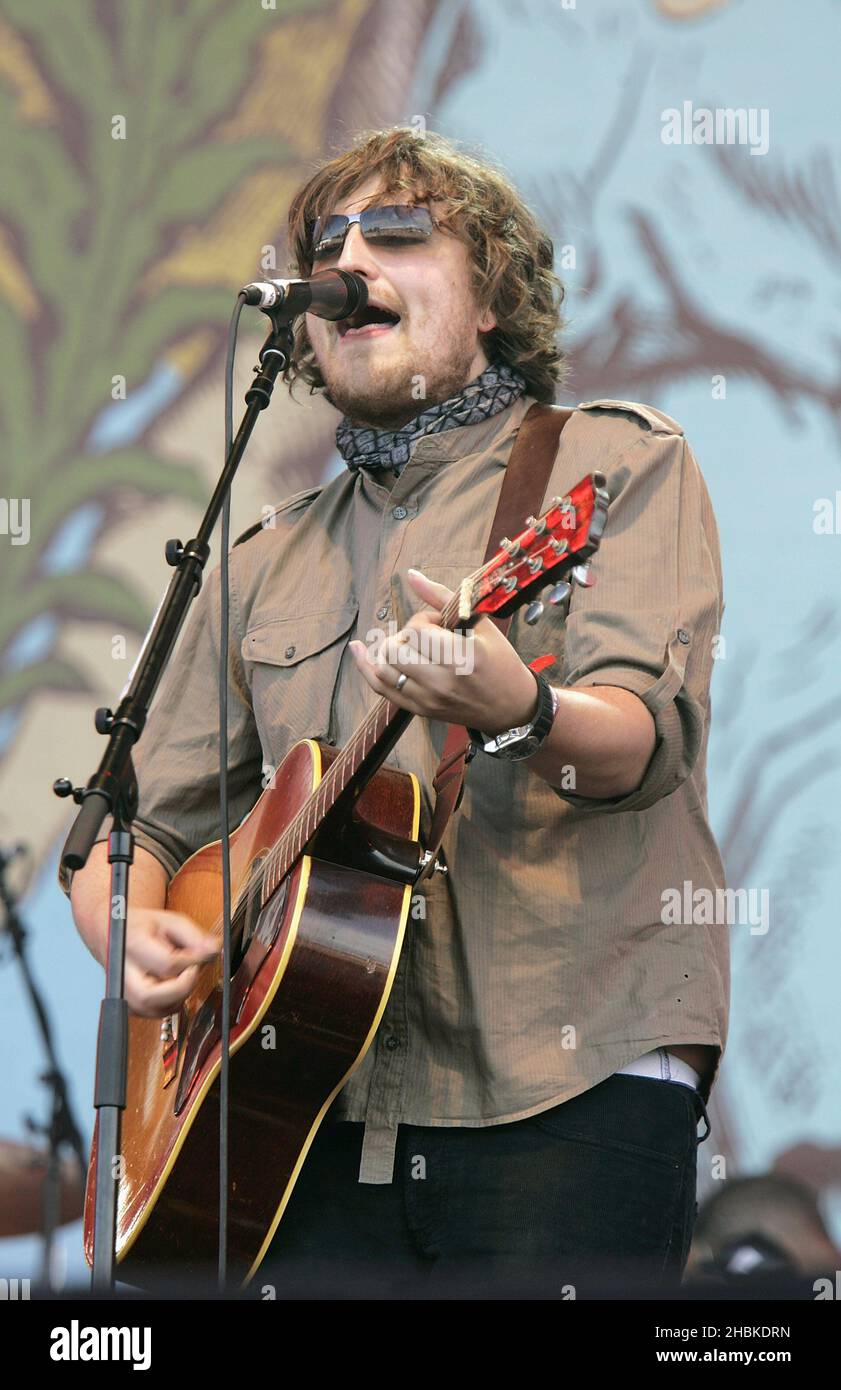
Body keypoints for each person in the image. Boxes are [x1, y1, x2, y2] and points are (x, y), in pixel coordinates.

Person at [66, 127, 728, 1294]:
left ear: (493, 300)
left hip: (563, 1089)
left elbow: (640, 741)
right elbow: (139, 832)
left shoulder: (606, 466)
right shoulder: (262, 555)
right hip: (296, 1109)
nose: (352, 259)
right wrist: (131, 934)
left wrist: (516, 705)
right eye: (329, 244)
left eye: (401, 235)